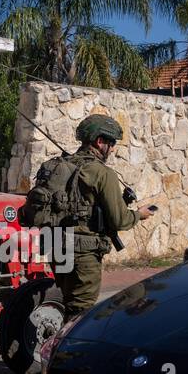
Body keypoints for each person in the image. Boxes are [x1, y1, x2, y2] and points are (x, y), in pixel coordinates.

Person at [56, 115, 154, 318]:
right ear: (100, 142)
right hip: (83, 253)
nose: (113, 148)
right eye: (112, 143)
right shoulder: (102, 173)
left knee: (67, 302)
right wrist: (139, 214)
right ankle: (66, 349)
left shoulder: (60, 166)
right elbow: (120, 220)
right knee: (80, 315)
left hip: (55, 245)